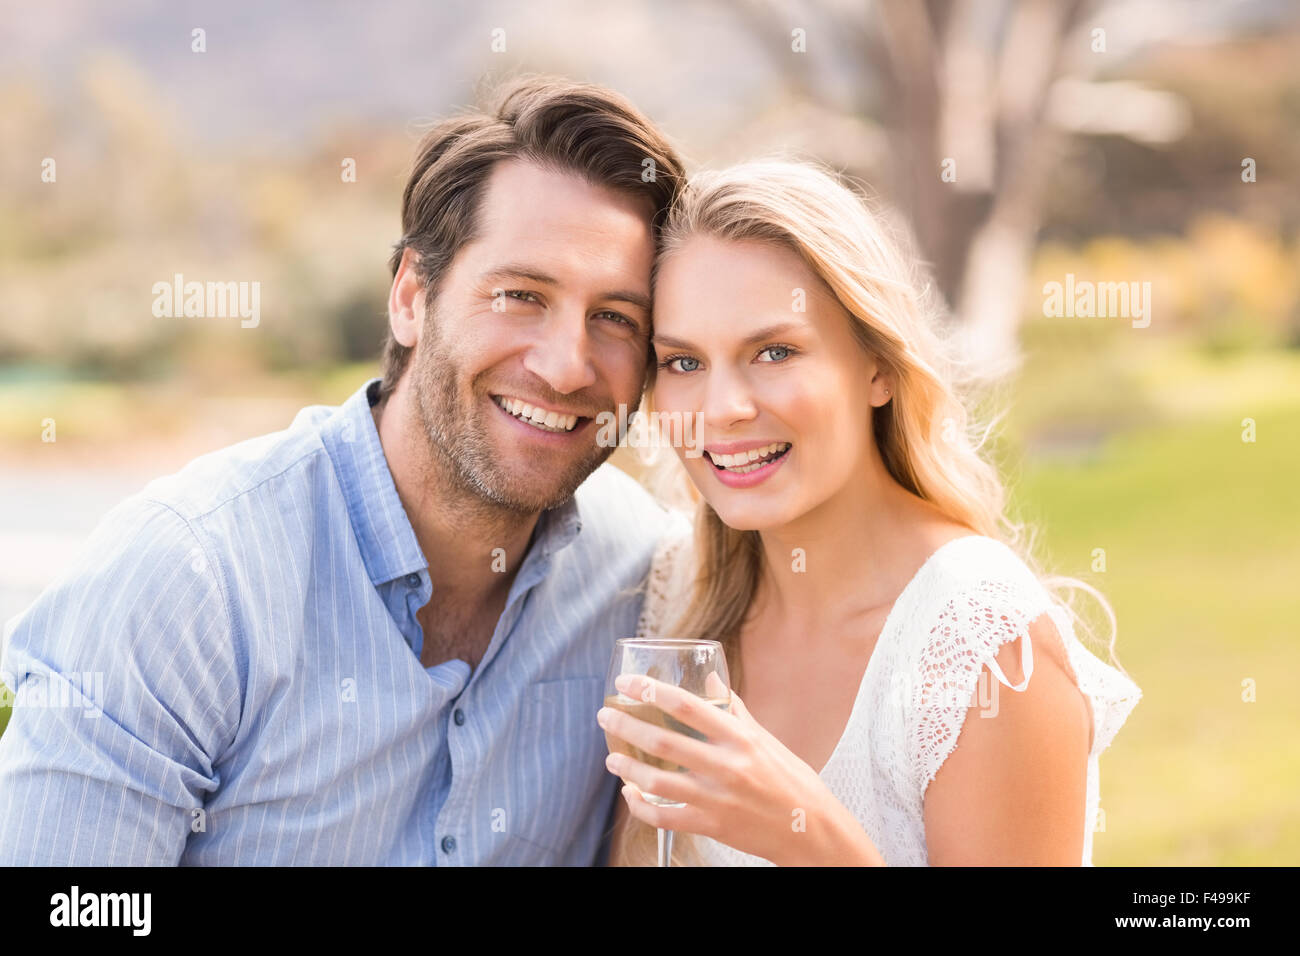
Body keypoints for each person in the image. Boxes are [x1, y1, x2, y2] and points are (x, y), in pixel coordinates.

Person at [0, 76, 689, 865]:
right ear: (411, 297)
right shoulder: (187, 582)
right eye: (521, 295)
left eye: (615, 318)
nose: (566, 367)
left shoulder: (641, 578)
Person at [598, 160, 1143, 866]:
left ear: (878, 368)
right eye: (682, 362)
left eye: (774, 352)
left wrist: (812, 836)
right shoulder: (675, 595)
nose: (723, 409)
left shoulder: (977, 642)